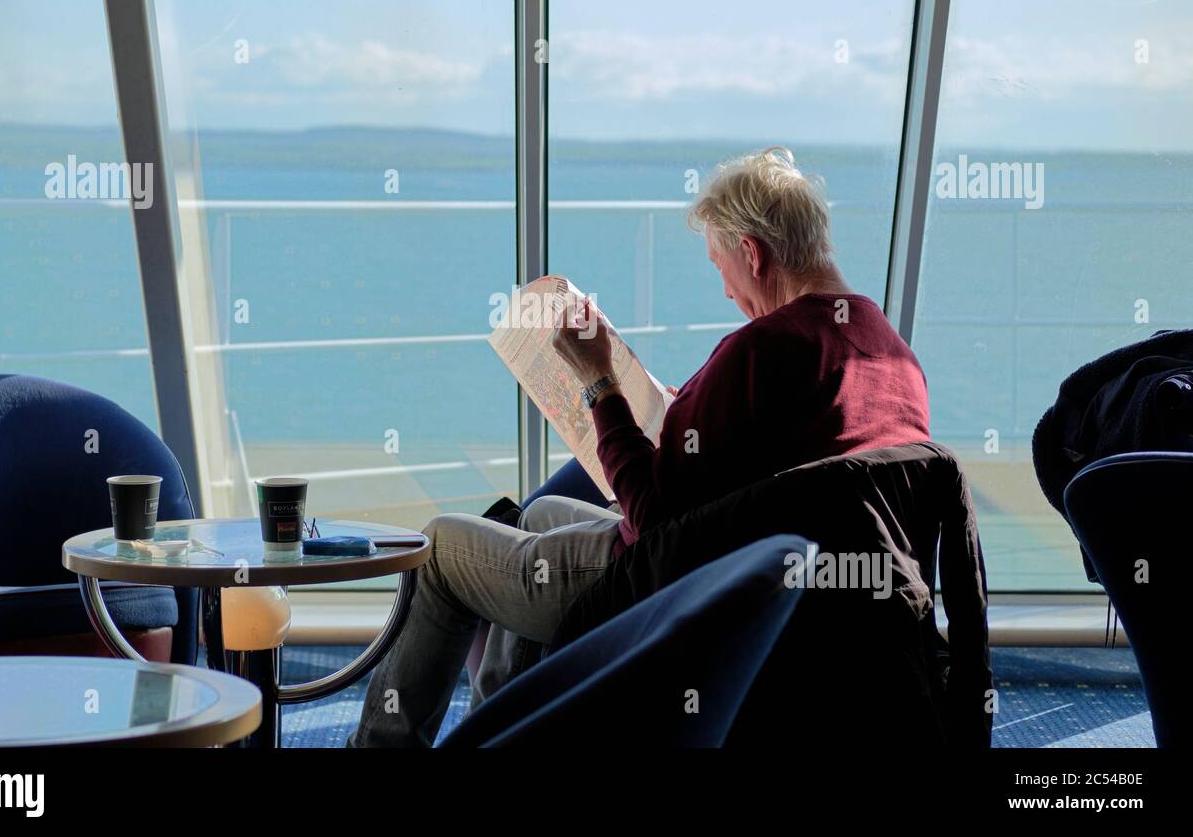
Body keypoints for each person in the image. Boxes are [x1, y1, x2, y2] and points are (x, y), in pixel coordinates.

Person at [347, 146, 930, 746]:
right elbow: (775, 462)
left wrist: (599, 382)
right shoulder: (894, 355)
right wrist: (685, 418)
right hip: (784, 589)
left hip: (674, 582)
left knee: (439, 547)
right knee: (542, 514)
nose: (727, 292)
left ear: (752, 254)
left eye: (720, 266)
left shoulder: (763, 348)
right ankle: (507, 725)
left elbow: (654, 522)